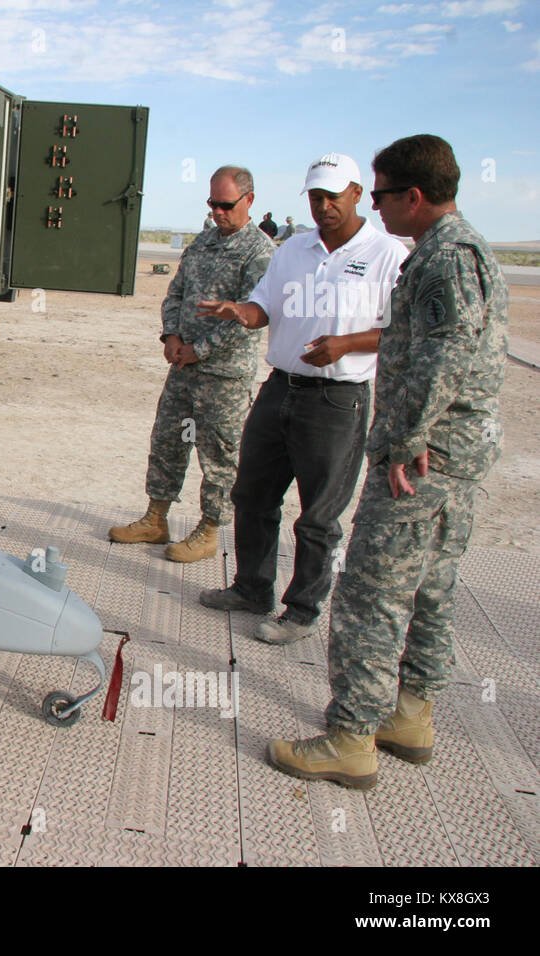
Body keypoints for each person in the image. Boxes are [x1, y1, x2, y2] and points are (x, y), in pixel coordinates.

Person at [267, 135, 508, 788]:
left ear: (414, 197)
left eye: (377, 194)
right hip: (455, 459)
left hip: (422, 465)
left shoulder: (443, 258)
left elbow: (445, 356)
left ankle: (350, 739)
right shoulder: (459, 250)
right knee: (431, 591)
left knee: (370, 597)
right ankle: (409, 716)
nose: (374, 206)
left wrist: (405, 440)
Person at [196, 153, 407, 642]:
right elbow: (264, 305)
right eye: (316, 196)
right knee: (252, 495)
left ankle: (302, 610)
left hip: (337, 400)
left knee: (318, 514)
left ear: (358, 194)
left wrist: (346, 344)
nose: (324, 205)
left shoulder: (387, 255)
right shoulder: (292, 250)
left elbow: (403, 330)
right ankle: (252, 588)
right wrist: (240, 312)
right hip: (279, 389)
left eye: (333, 195)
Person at [109, 167, 276, 562]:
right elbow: (175, 293)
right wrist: (171, 336)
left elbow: (250, 318)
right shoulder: (202, 243)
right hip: (183, 368)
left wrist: (199, 349)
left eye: (226, 205)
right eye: (212, 203)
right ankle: (156, 518)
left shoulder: (260, 252)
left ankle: (209, 529)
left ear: (249, 201)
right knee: (168, 441)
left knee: (218, 456)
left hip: (223, 377)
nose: (217, 212)